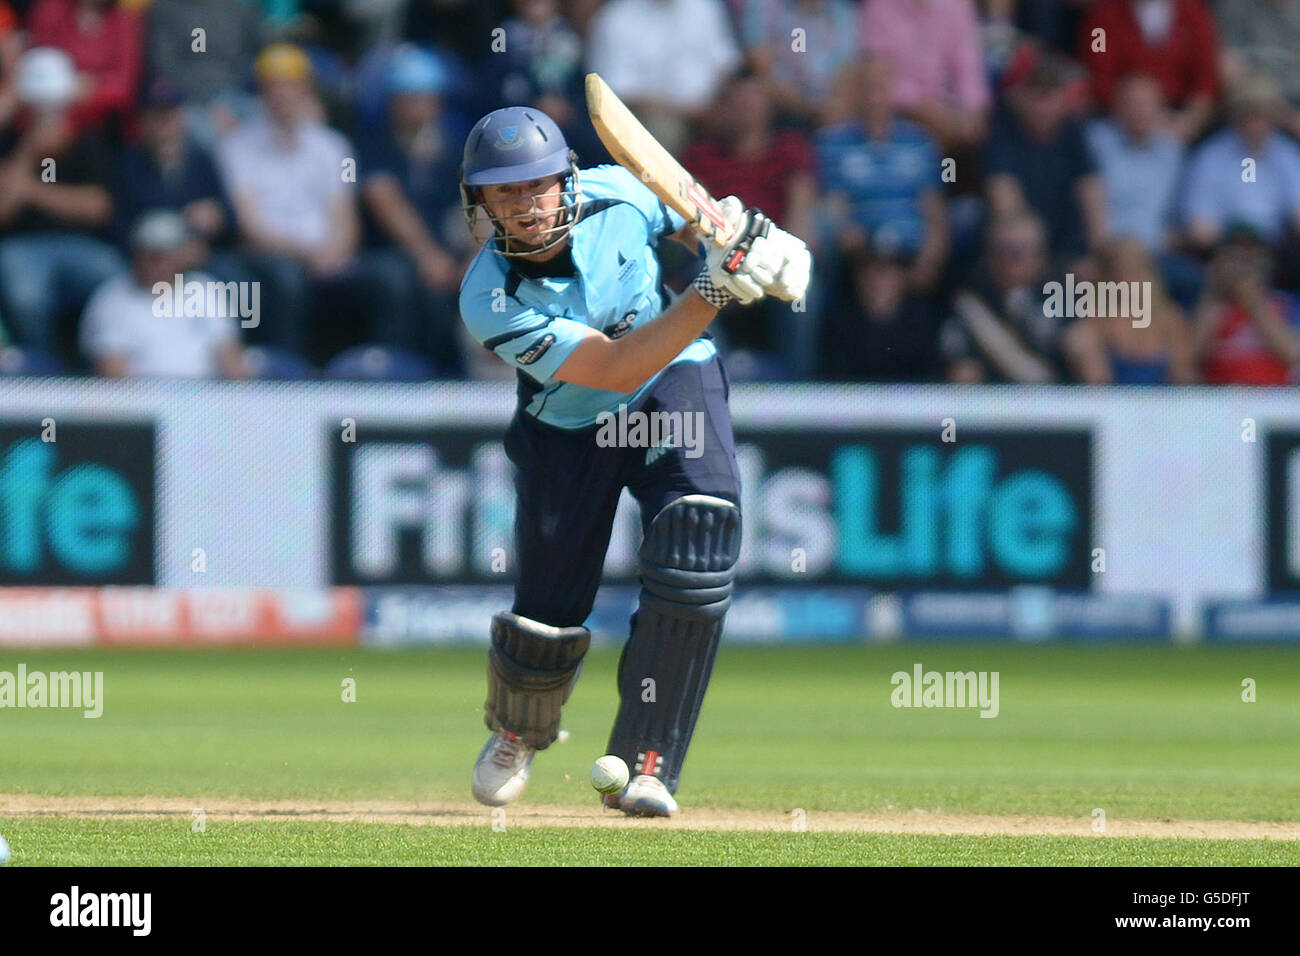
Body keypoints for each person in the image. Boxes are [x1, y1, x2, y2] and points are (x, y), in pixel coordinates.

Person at [457, 106, 809, 817]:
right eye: (505, 193)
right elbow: (614, 368)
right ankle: (519, 731)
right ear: (480, 205)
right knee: (547, 615)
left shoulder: (617, 190)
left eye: (538, 186)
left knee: (697, 541)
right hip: (570, 424)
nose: (526, 206)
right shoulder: (489, 299)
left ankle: (649, 762)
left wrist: (730, 234)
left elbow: (685, 218)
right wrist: (715, 286)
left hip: (675, 381)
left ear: (567, 180)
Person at [80, 210, 248, 378]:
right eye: (148, 254)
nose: (154, 263)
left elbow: (230, 357)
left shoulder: (205, 287)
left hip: (207, 399)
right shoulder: (111, 299)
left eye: (163, 255)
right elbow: (112, 373)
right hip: (141, 400)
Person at [1060, 236, 1196, 384]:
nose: (1132, 279)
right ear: (1107, 276)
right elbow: (1097, 386)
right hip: (1114, 403)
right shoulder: (1091, 327)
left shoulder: (1169, 319)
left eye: (1138, 269)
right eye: (1124, 270)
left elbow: (1184, 377)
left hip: (1163, 403)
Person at [1191, 225, 1300, 385]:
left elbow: (1294, 355)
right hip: (1219, 401)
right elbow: (1190, 359)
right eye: (1235, 257)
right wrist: (1214, 294)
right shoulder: (1208, 306)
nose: (1243, 266)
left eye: (1250, 257)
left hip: (1274, 398)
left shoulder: (1285, 302)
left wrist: (1253, 303)